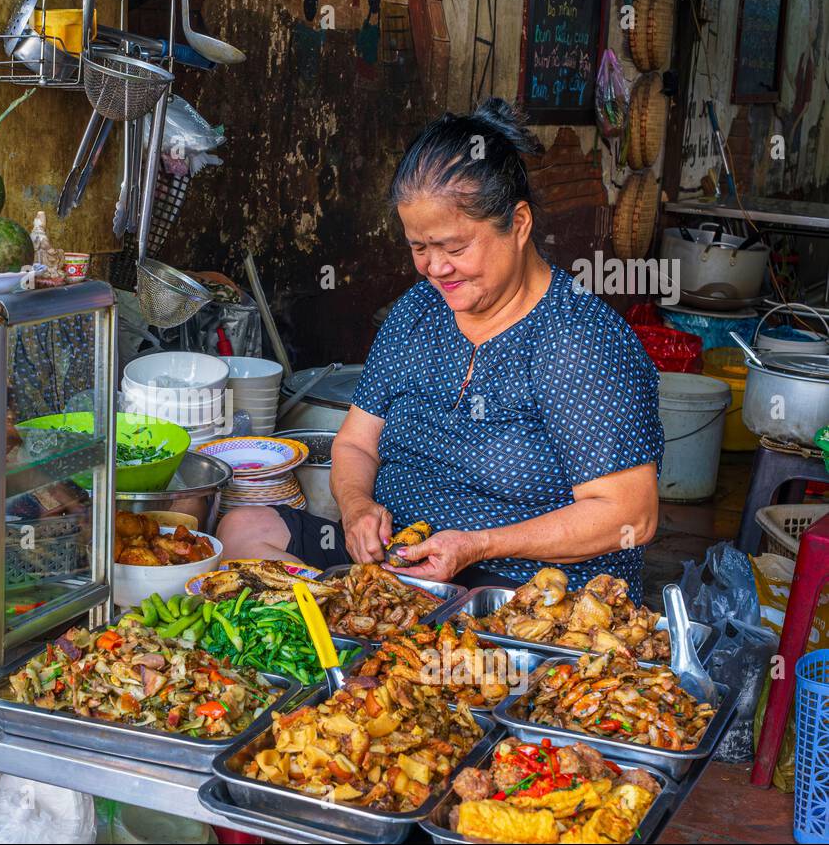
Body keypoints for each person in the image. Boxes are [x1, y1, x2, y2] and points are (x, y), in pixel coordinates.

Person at [217, 99, 664, 600]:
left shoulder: (578, 338)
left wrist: (479, 546)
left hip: (521, 588)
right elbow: (356, 444)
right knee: (241, 532)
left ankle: (363, 637)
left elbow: (630, 514)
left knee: (450, 645)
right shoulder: (417, 313)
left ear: (518, 225)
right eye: (418, 248)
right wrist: (357, 508)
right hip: (397, 565)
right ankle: (350, 628)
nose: (435, 268)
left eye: (454, 248)